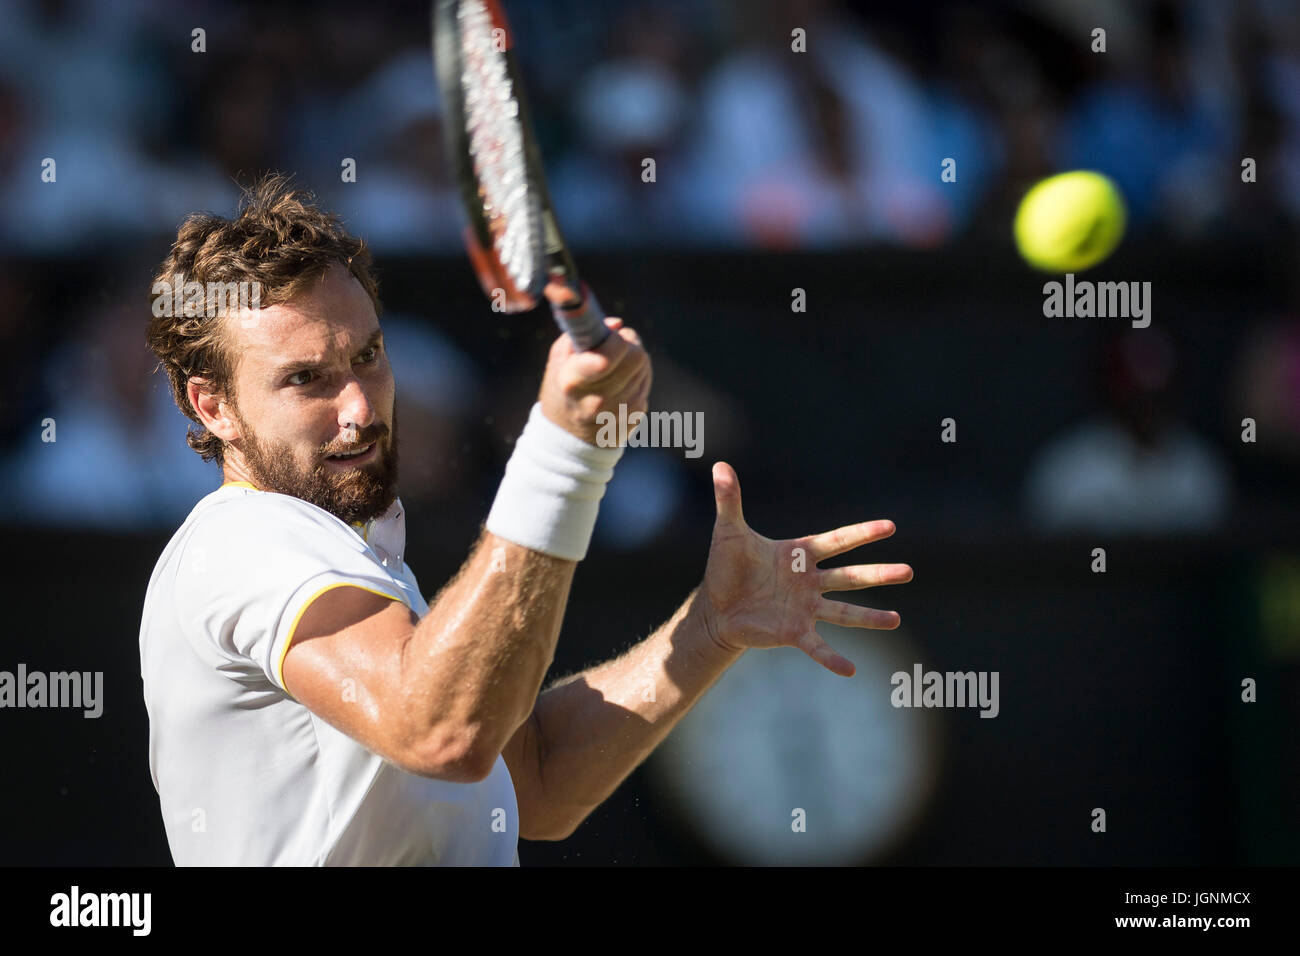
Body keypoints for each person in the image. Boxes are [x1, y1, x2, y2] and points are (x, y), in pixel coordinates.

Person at [138, 174, 911, 865]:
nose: (361, 408)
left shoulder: (358, 563)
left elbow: (536, 779)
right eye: (307, 380)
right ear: (214, 405)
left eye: (369, 356)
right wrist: (562, 451)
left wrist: (710, 627)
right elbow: (443, 731)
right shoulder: (243, 540)